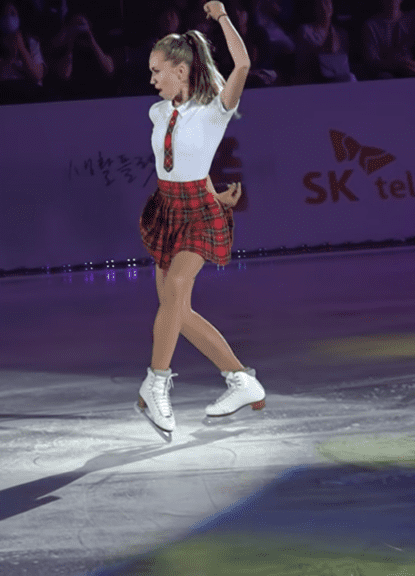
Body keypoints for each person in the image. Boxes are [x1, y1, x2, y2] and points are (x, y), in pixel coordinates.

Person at [137, 1, 264, 435]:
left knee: (175, 289)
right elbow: (187, 165)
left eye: (157, 71)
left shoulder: (215, 110)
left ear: (180, 69)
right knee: (178, 310)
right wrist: (218, 194)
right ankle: (241, 379)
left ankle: (156, 385)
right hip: (168, 208)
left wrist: (223, 16)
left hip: (197, 214)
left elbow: (243, 62)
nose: (152, 79)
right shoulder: (158, 113)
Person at [361, 0, 415, 80]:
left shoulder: (414, 21)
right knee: (384, 78)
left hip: (412, 69)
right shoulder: (371, 25)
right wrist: (397, 65)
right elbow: (371, 60)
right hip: (385, 72)